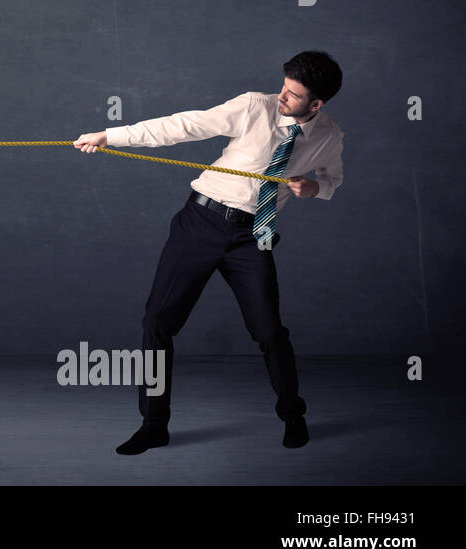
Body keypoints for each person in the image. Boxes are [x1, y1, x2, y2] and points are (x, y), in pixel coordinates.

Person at [73, 51, 344, 453]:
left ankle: (293, 416)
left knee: (270, 332)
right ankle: (154, 425)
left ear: (316, 104)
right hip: (200, 223)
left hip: (253, 236)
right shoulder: (255, 105)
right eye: (283, 86)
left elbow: (332, 179)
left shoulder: (329, 136)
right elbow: (184, 125)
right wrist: (109, 135)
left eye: (292, 94)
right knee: (158, 322)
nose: (281, 96)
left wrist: (315, 189)